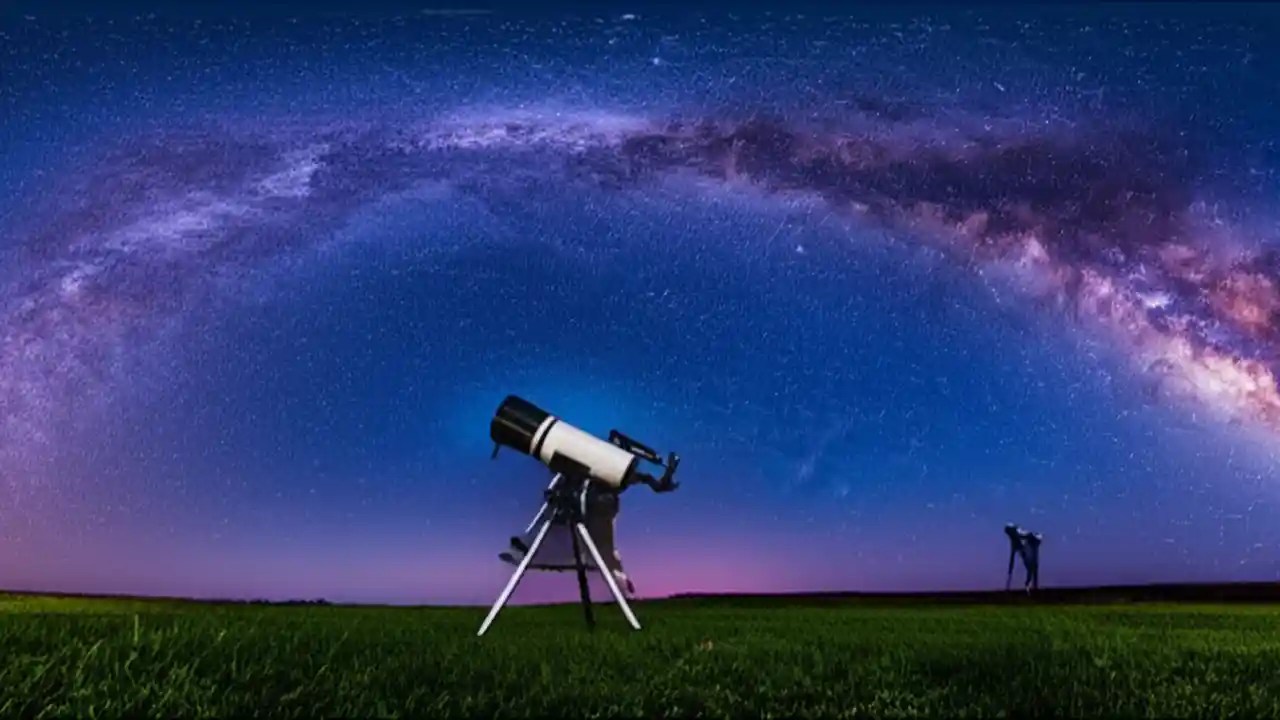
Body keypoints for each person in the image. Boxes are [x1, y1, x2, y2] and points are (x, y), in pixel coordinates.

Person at [1004, 523, 1042, 593]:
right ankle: (1030, 585)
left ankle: (1033, 586)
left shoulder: (1019, 534)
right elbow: (1013, 555)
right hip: (1026, 549)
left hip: (1032, 544)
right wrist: (1010, 568)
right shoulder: (1015, 540)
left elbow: (1030, 536)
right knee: (1031, 568)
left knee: (1033, 567)